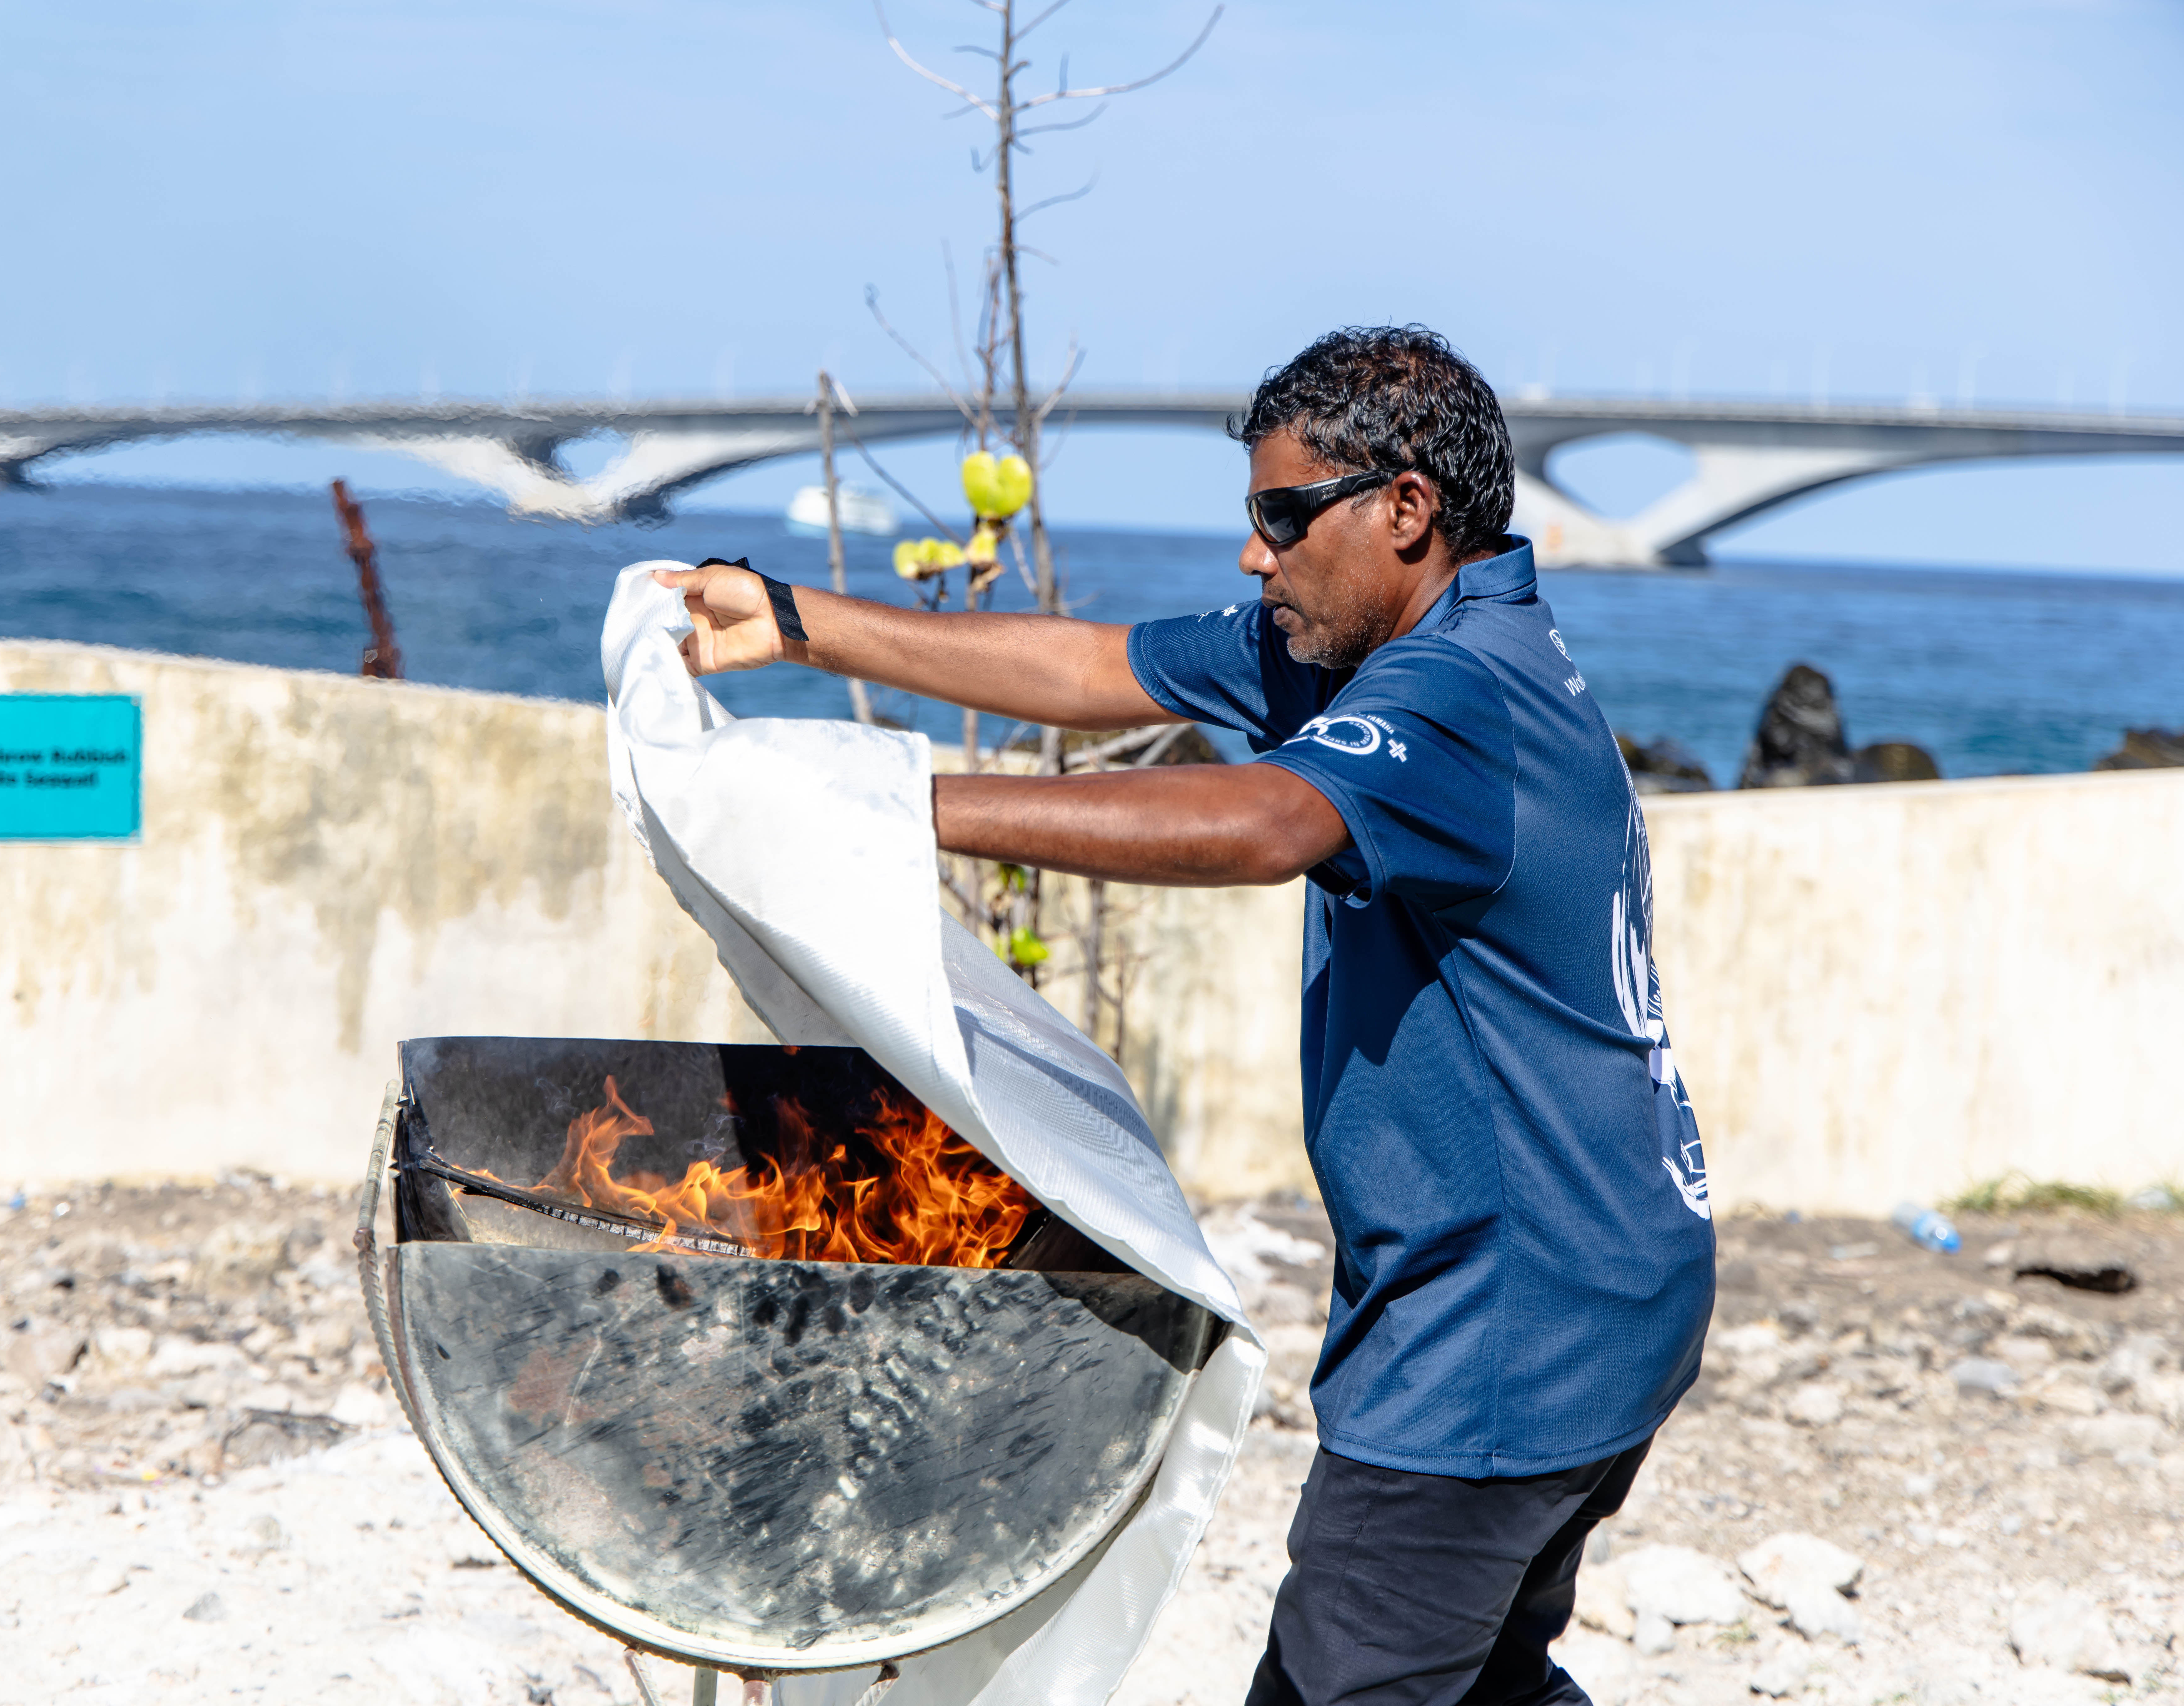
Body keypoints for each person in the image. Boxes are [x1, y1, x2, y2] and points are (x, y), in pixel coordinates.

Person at [656, 325, 1715, 1706]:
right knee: (1486, 1678)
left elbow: (1262, 818)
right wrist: (795, 623)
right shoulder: (1372, 648)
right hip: (1603, 1277)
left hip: (1501, 1325)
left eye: (1284, 517)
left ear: (1405, 509)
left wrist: (879, 813)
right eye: (1251, 516)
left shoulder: (1458, 694)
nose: (1253, 555)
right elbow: (1095, 670)